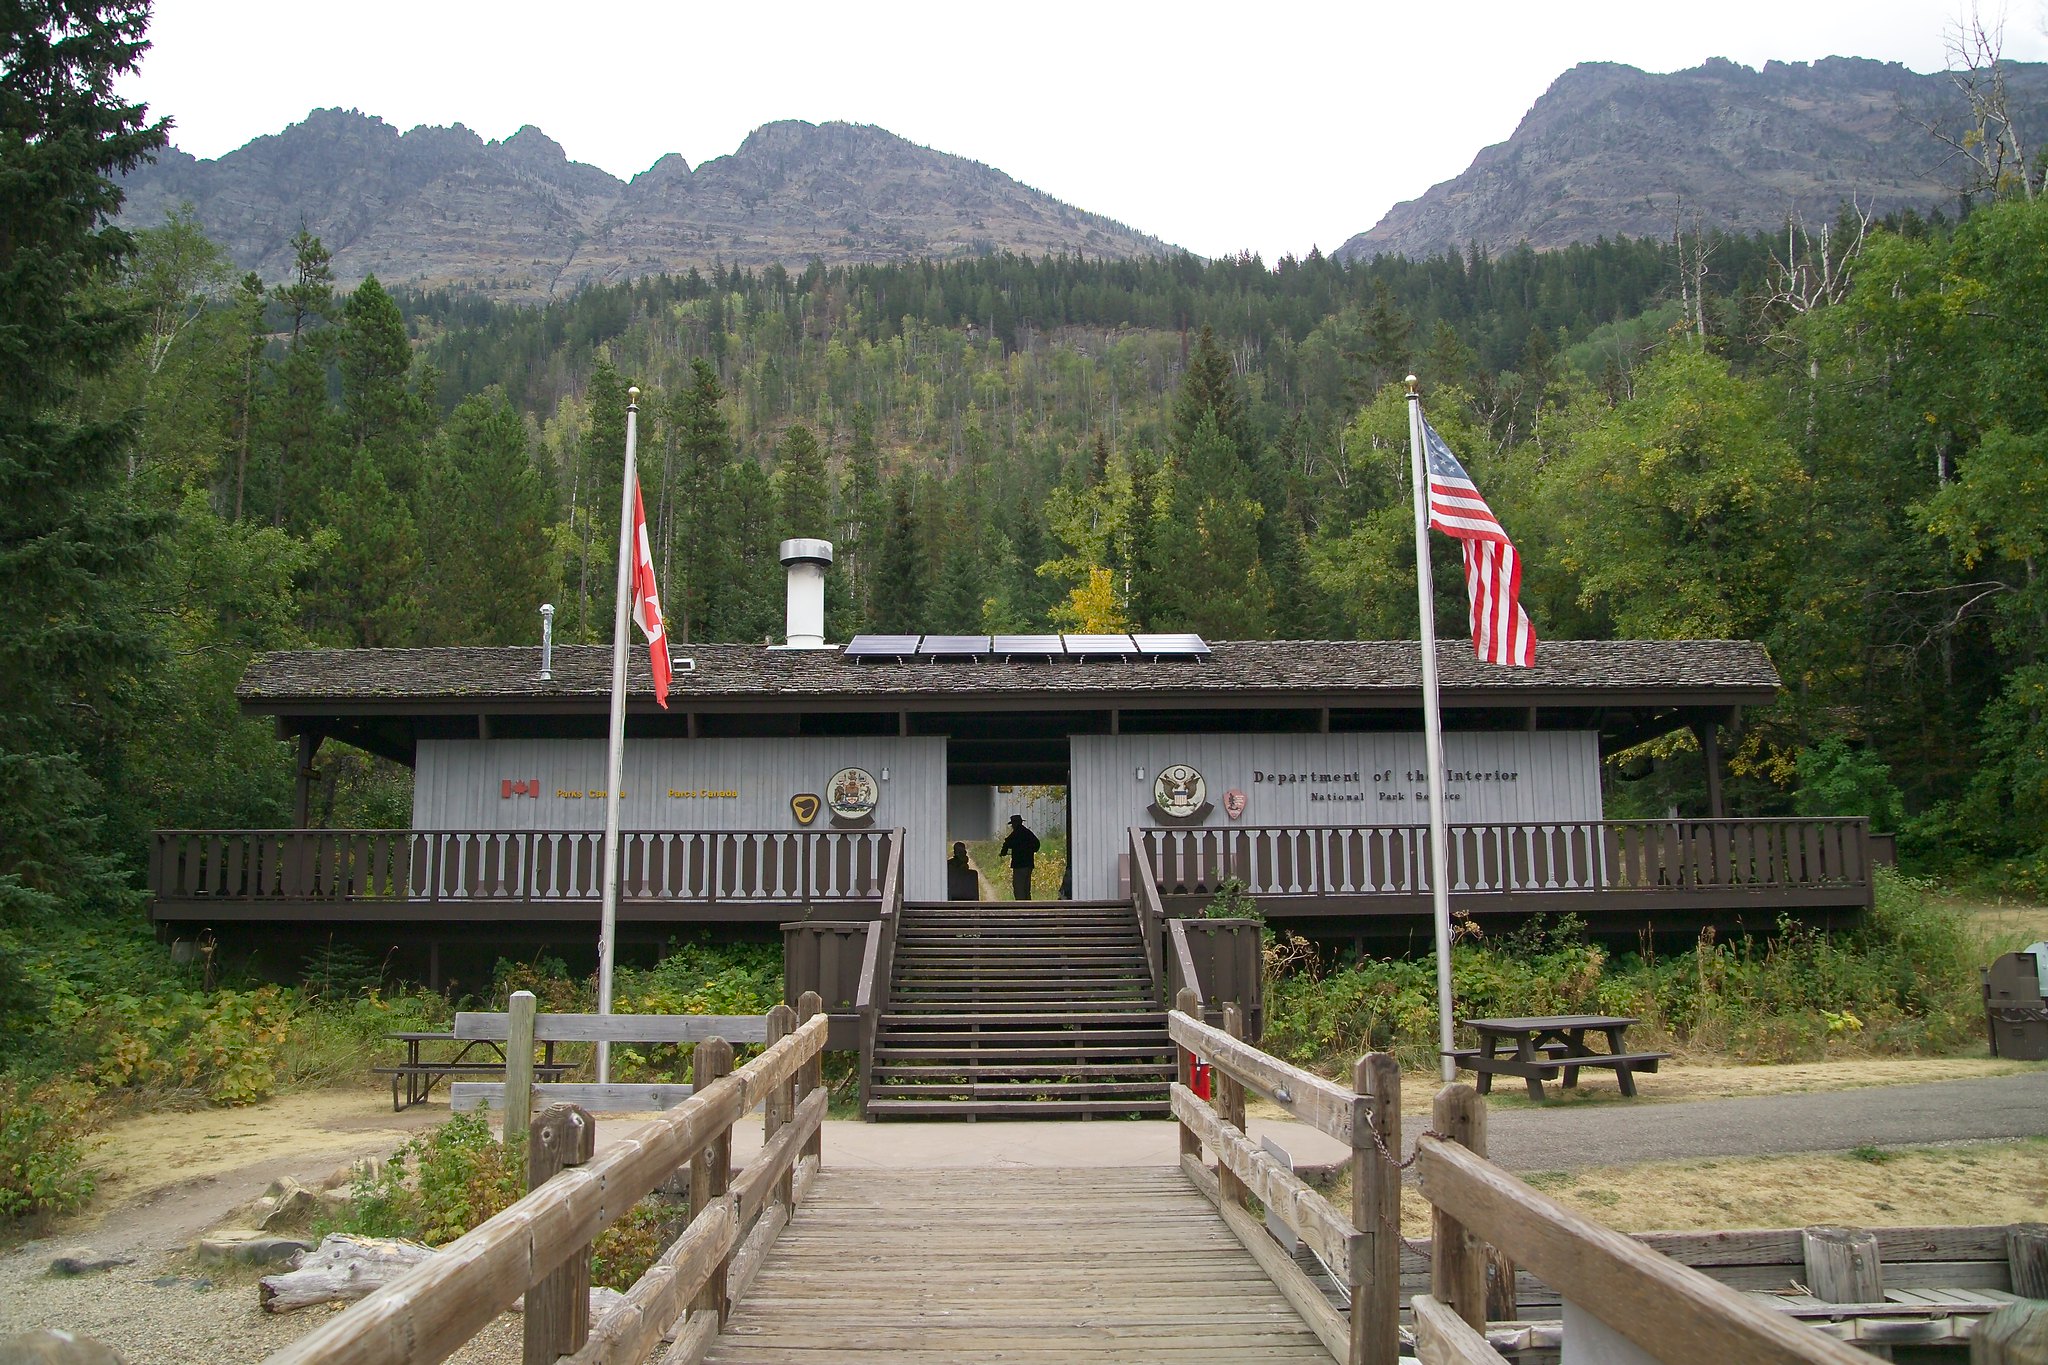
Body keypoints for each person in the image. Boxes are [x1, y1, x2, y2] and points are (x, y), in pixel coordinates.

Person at [998, 815, 1040, 901]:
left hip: (1019, 865)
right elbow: (1037, 844)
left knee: (1019, 888)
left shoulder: (1016, 833)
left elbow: (1007, 843)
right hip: (1028, 864)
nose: (1012, 826)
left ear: (1015, 823)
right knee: (1026, 888)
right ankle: (1028, 908)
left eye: (1013, 824)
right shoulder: (1028, 833)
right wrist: (1030, 851)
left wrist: (1003, 853)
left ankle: (1021, 909)